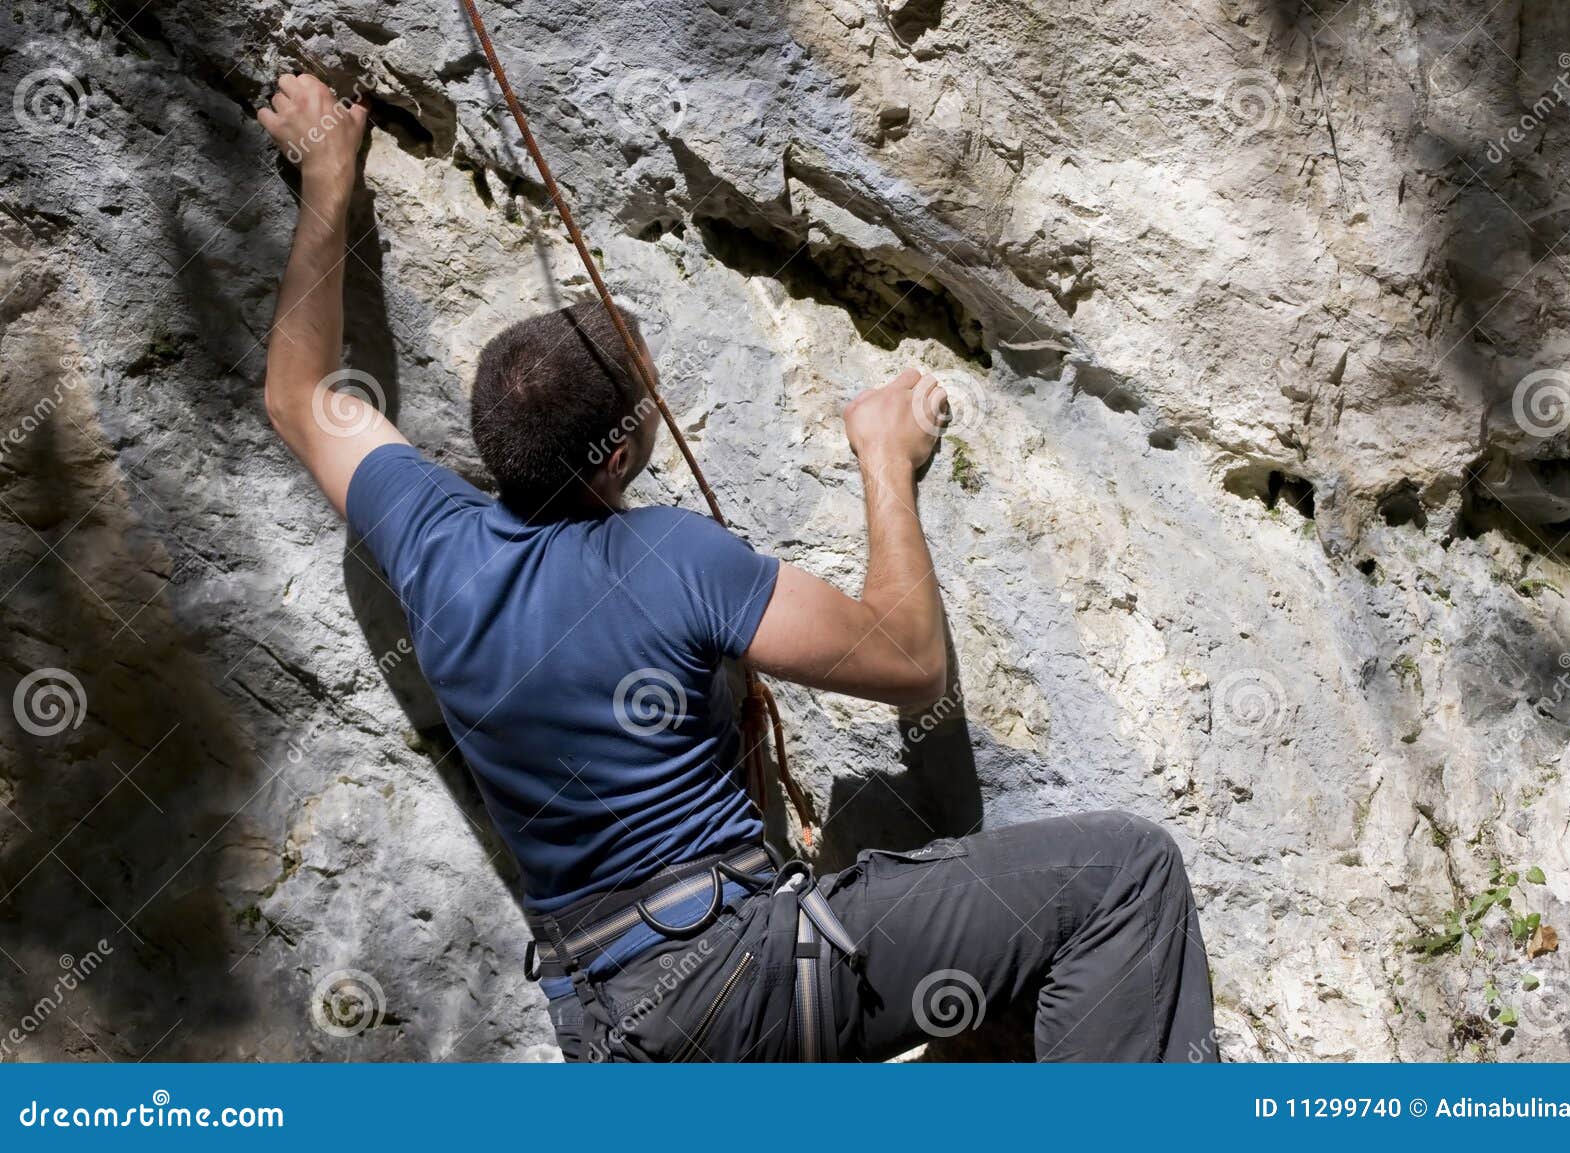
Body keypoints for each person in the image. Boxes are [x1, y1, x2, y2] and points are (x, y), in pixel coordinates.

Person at [255, 74, 1216, 1062]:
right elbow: (906, 660)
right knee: (1122, 874)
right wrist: (883, 460)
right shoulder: (663, 557)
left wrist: (330, 178)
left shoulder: (427, 538)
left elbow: (297, 393)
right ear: (619, 456)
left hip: (606, 1023)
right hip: (738, 973)